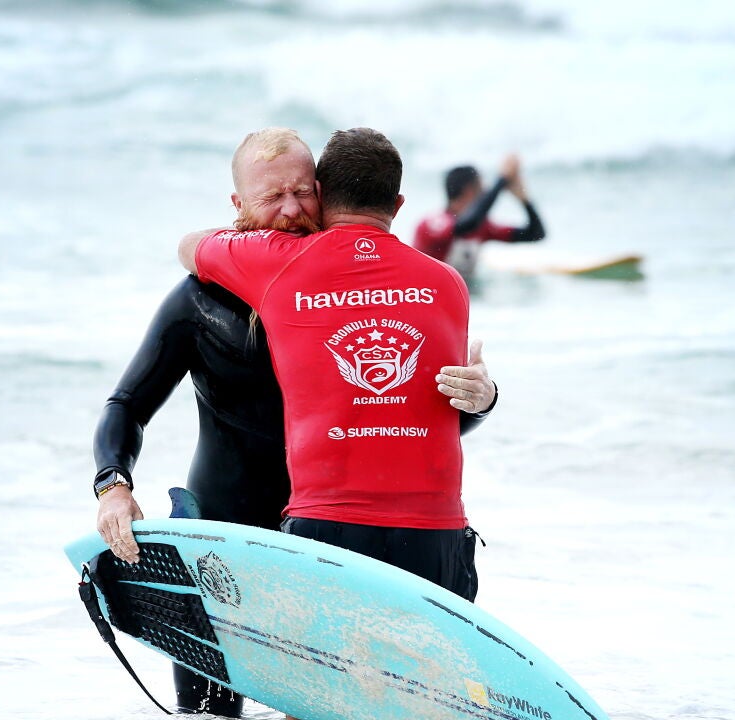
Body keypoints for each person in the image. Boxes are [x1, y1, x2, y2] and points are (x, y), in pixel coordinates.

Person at [91, 127, 496, 716]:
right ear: (237, 207)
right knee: (207, 712)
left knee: (341, 706)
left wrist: (480, 399)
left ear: (326, 193)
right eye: (269, 198)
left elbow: (411, 424)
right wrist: (113, 486)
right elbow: (126, 404)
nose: (289, 210)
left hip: (328, 537)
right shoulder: (198, 301)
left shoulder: (365, 291)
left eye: (303, 193)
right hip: (225, 537)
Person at [179, 128, 483, 610]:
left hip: (327, 527)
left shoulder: (276, 262)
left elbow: (190, 246)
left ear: (320, 193)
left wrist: (246, 233)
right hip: (436, 531)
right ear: (398, 204)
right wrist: (486, 400)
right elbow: (445, 411)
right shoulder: (447, 283)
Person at [413, 154, 546, 280]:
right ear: (469, 191)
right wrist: (502, 179)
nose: (485, 192)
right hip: (428, 295)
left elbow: (535, 234)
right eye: (482, 187)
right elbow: (468, 224)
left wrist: (524, 200)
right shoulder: (433, 224)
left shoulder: (483, 228)